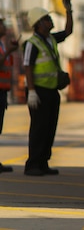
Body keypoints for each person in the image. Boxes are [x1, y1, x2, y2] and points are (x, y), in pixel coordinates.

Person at [22, 0, 73, 176]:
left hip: (52, 91)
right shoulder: (32, 43)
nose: (50, 21)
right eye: (46, 19)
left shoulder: (50, 39)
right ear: (38, 24)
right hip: (38, 91)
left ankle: (43, 163)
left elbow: (68, 31)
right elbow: (27, 66)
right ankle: (32, 164)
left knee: (50, 128)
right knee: (39, 128)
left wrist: (69, 11)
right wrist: (32, 92)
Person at [0, 16, 19, 173]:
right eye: (0, 24)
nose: (4, 26)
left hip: (2, 91)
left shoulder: (2, 44)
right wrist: (10, 52)